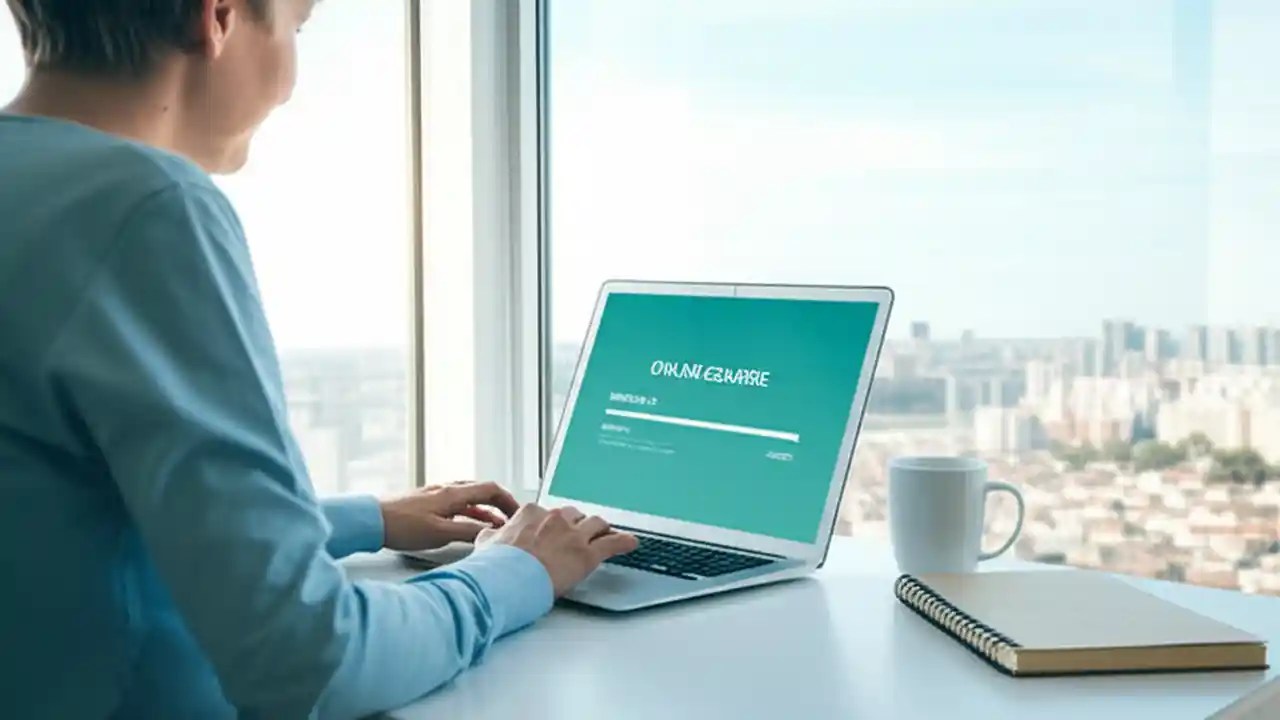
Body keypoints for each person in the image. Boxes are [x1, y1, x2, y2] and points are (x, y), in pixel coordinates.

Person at [0, 1, 638, 717]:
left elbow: (64, 514)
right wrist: (516, 572)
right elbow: (310, 660)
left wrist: (363, 518)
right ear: (218, 17)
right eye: (296, 29)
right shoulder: (146, 204)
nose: (291, 83)